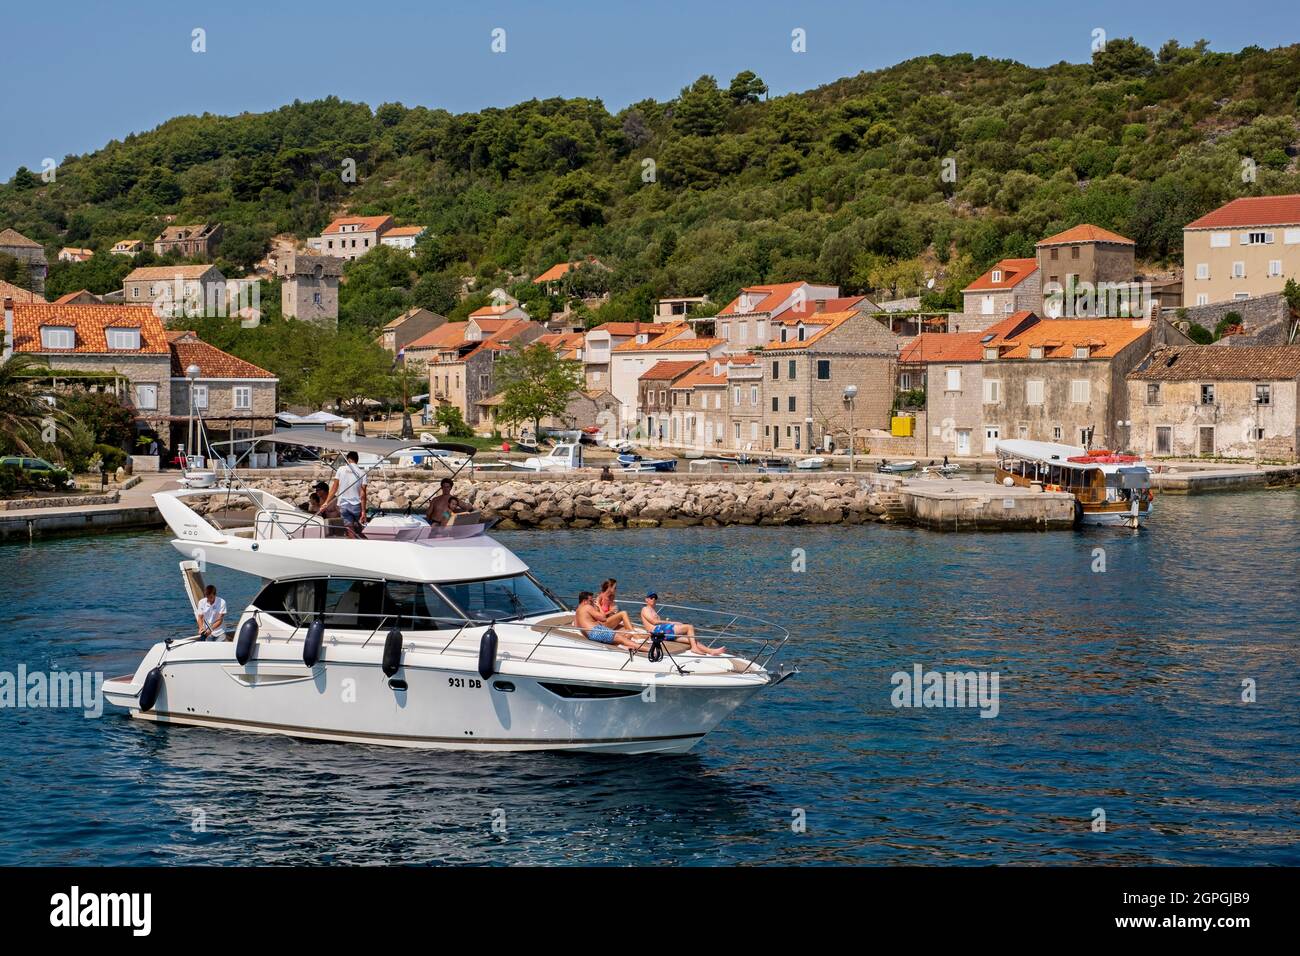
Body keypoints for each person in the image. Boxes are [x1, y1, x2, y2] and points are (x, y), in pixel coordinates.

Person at [640, 592, 725, 656]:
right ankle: (694, 648)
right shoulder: (645, 609)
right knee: (689, 627)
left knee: (690, 639)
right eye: (651, 598)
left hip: (660, 632)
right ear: (646, 599)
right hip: (656, 632)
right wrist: (671, 622)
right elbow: (654, 622)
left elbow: (657, 622)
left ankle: (710, 651)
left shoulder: (653, 611)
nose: (653, 599)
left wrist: (668, 623)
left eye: (655, 598)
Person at [574, 591, 643, 651]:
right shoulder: (589, 606)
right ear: (584, 601)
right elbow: (603, 618)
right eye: (591, 601)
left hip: (596, 628)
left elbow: (576, 625)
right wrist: (599, 606)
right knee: (623, 614)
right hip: (600, 626)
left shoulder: (579, 610)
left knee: (625, 631)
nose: (592, 602)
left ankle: (622, 643)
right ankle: (636, 638)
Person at [323, 451, 367, 531]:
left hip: (343, 504)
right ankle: (359, 540)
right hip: (356, 505)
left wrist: (326, 502)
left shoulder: (341, 469)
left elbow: (334, 488)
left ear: (348, 459)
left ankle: (352, 540)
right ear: (357, 460)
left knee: (349, 529)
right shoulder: (362, 473)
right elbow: (363, 495)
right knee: (359, 529)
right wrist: (363, 511)